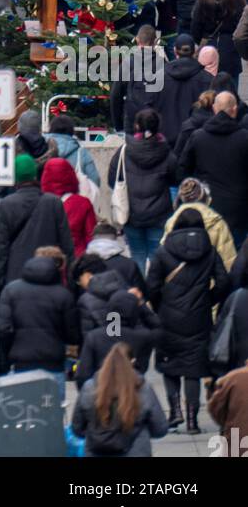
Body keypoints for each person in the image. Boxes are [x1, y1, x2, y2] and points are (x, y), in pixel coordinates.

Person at [147, 206, 231, 432]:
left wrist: (158, 307)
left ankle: (175, 412)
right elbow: (224, 283)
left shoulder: (163, 252)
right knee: (193, 369)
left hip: (168, 316)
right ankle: (193, 420)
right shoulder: (210, 251)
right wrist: (209, 300)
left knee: (169, 364)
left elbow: (151, 287)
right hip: (199, 317)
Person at [0, 249, 79, 401]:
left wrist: (10, 350)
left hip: (21, 360)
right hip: (52, 360)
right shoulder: (63, 294)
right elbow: (72, 334)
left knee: (22, 409)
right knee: (52, 410)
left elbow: (3, 328)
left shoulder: (11, 290)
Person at [108, 106, 177, 270]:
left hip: (131, 214)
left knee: (137, 255)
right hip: (159, 215)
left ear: (136, 126)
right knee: (156, 256)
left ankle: (138, 291)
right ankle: (153, 292)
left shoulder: (124, 151)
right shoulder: (167, 153)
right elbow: (175, 180)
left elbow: (112, 179)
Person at [71, 343, 168, 457]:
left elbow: (77, 428)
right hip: (136, 451)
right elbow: (160, 428)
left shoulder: (89, 388)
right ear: (132, 362)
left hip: (96, 451)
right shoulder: (142, 388)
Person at [180, 92, 248, 249]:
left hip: (208, 208)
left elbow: (183, 171)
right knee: (236, 256)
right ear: (235, 109)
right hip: (239, 210)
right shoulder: (244, 138)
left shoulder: (198, 137)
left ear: (214, 109)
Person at [0, 153, 75, 289]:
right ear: (35, 175)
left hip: (15, 278)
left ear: (15, 177)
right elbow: (67, 245)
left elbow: (1, 249)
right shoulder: (54, 202)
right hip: (49, 274)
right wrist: (71, 284)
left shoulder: (6, 204)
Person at [190, 0, 245, 80]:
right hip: (230, 50)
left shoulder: (203, 1)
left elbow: (195, 29)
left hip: (208, 47)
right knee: (231, 89)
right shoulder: (238, 2)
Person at [40, 157, 96, 258]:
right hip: (78, 259)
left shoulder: (41, 203)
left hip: (48, 259)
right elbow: (91, 238)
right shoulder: (83, 203)